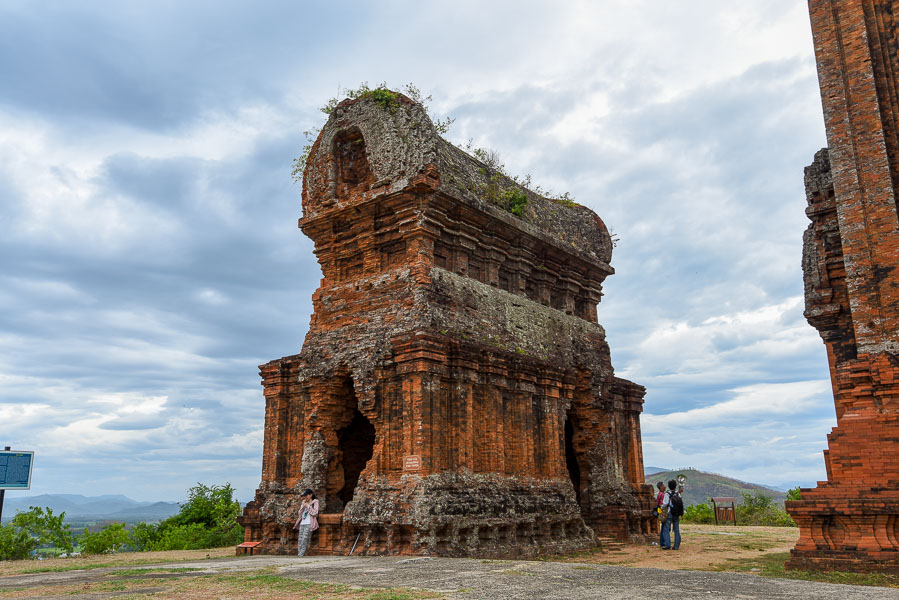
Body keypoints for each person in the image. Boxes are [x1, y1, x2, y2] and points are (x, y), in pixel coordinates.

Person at [293, 489, 319, 556]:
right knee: (300, 539)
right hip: (302, 523)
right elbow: (300, 514)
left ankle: (301, 554)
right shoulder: (304, 503)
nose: (305, 497)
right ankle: (300, 554)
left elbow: (315, 513)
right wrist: (303, 505)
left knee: (305, 539)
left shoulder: (315, 502)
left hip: (309, 523)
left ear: (311, 495)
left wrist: (307, 506)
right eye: (304, 496)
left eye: (306, 495)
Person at [666, 479, 682, 551]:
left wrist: (662, 508)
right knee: (676, 529)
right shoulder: (678, 494)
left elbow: (665, 503)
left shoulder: (667, 494)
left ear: (669, 486)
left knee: (667, 529)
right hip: (676, 513)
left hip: (669, 512)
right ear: (675, 486)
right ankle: (676, 546)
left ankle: (668, 545)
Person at [656, 481, 669, 549]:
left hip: (660, 512)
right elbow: (664, 504)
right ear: (661, 487)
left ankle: (662, 542)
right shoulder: (663, 495)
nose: (665, 486)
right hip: (663, 512)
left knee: (663, 527)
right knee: (665, 527)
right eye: (664, 485)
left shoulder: (659, 494)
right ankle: (663, 542)